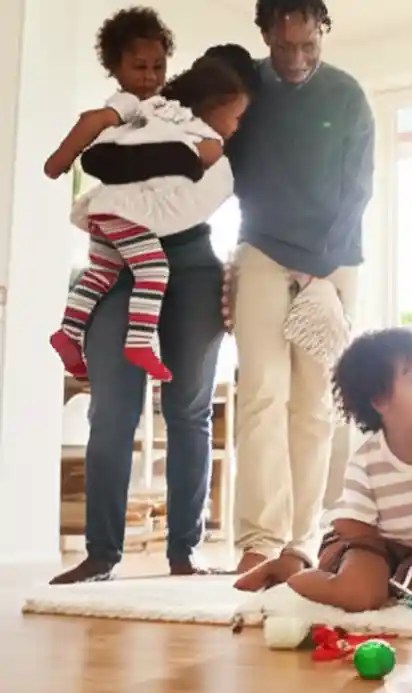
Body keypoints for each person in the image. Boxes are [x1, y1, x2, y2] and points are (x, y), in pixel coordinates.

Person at [49, 38, 256, 584]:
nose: (235, 125)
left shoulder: (226, 146)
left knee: (189, 412)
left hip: (193, 266)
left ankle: (184, 552)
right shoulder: (146, 117)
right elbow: (97, 161)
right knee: (111, 413)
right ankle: (101, 554)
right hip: (119, 263)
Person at [225, 0, 375, 577]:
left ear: (322, 32)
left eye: (308, 45)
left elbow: (357, 190)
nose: (295, 58)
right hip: (264, 249)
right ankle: (260, 538)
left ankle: (301, 539)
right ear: (264, 34)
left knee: (315, 403)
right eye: (283, 46)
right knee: (261, 393)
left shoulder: (347, 95)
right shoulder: (246, 89)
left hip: (334, 259)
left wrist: (320, 268)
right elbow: (233, 175)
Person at [236, 328, 412, 608]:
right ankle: (291, 575)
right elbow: (352, 527)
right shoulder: (368, 460)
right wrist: (381, 575)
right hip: (359, 544)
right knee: (363, 595)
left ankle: (387, 584)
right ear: (379, 400)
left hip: (410, 554)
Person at [47, 56, 250, 382]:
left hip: (103, 210)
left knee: (101, 272)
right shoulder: (192, 136)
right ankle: (139, 343)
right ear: (213, 109)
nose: (238, 126)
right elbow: (173, 205)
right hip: (125, 214)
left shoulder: (159, 121)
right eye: (236, 116)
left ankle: (68, 332)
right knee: (154, 270)